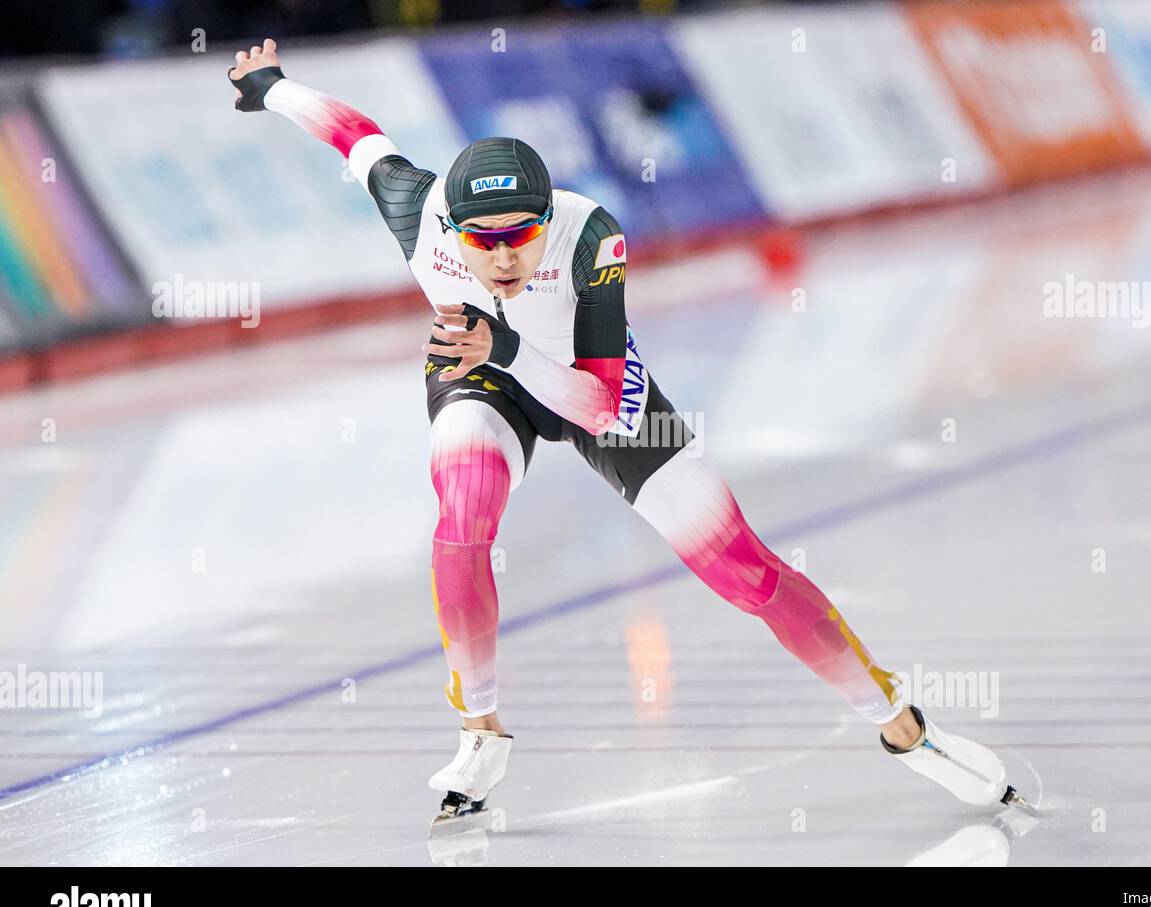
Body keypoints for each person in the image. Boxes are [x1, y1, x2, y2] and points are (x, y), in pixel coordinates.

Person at [227, 38, 1029, 826]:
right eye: (483, 240)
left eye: (520, 235)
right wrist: (272, 86)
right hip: (477, 371)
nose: (503, 257)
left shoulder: (590, 235)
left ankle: (899, 722)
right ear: (451, 228)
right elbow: (355, 134)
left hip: (587, 378)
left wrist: (505, 343)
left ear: (548, 219)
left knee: (742, 571)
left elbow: (601, 407)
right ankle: (480, 729)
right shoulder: (417, 207)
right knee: (463, 518)